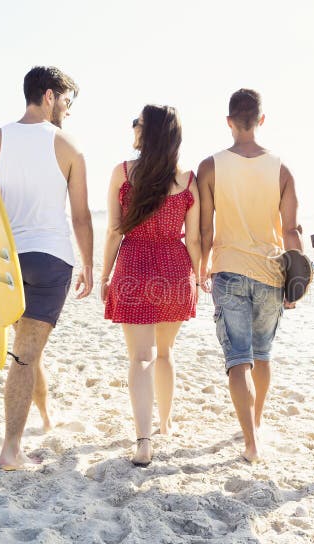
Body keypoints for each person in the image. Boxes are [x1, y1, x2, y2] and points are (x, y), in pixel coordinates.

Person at [0, 66, 95, 470]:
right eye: (67, 100)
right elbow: (81, 216)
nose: (67, 108)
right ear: (49, 96)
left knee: (27, 350)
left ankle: (46, 419)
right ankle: (11, 450)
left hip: (4, 261)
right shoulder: (69, 146)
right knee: (27, 354)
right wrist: (89, 264)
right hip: (51, 260)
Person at [198, 88, 302, 463]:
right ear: (260, 120)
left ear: (229, 122)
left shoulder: (209, 167)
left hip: (228, 270)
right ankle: (256, 425)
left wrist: (201, 267)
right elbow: (291, 232)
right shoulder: (282, 169)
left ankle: (250, 442)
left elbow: (204, 229)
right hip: (271, 273)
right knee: (262, 355)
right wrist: (297, 280)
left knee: (238, 360)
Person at [101, 105, 200, 467]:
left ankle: (143, 441)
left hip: (133, 268)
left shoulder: (124, 173)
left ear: (147, 132)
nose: (133, 128)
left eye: (136, 123)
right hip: (174, 272)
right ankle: (165, 423)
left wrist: (105, 274)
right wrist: (199, 276)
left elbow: (114, 231)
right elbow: (196, 240)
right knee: (164, 353)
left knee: (140, 358)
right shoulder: (187, 181)